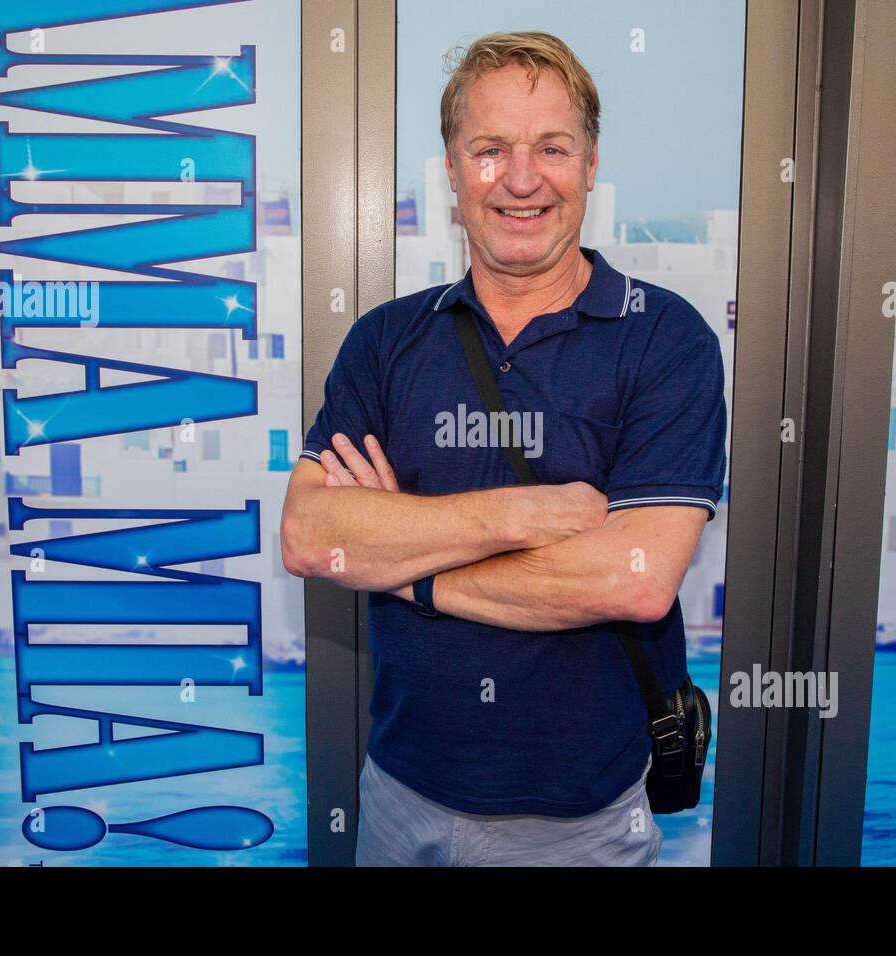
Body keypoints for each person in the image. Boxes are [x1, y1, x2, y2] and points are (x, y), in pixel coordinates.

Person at [281, 31, 727, 866]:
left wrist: (401, 557)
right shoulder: (384, 342)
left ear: (591, 162)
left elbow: (633, 582)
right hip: (396, 801)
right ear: (452, 169)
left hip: (581, 827)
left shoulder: (666, 341)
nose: (521, 179)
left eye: (552, 147)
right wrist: (531, 512)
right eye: (489, 149)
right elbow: (311, 536)